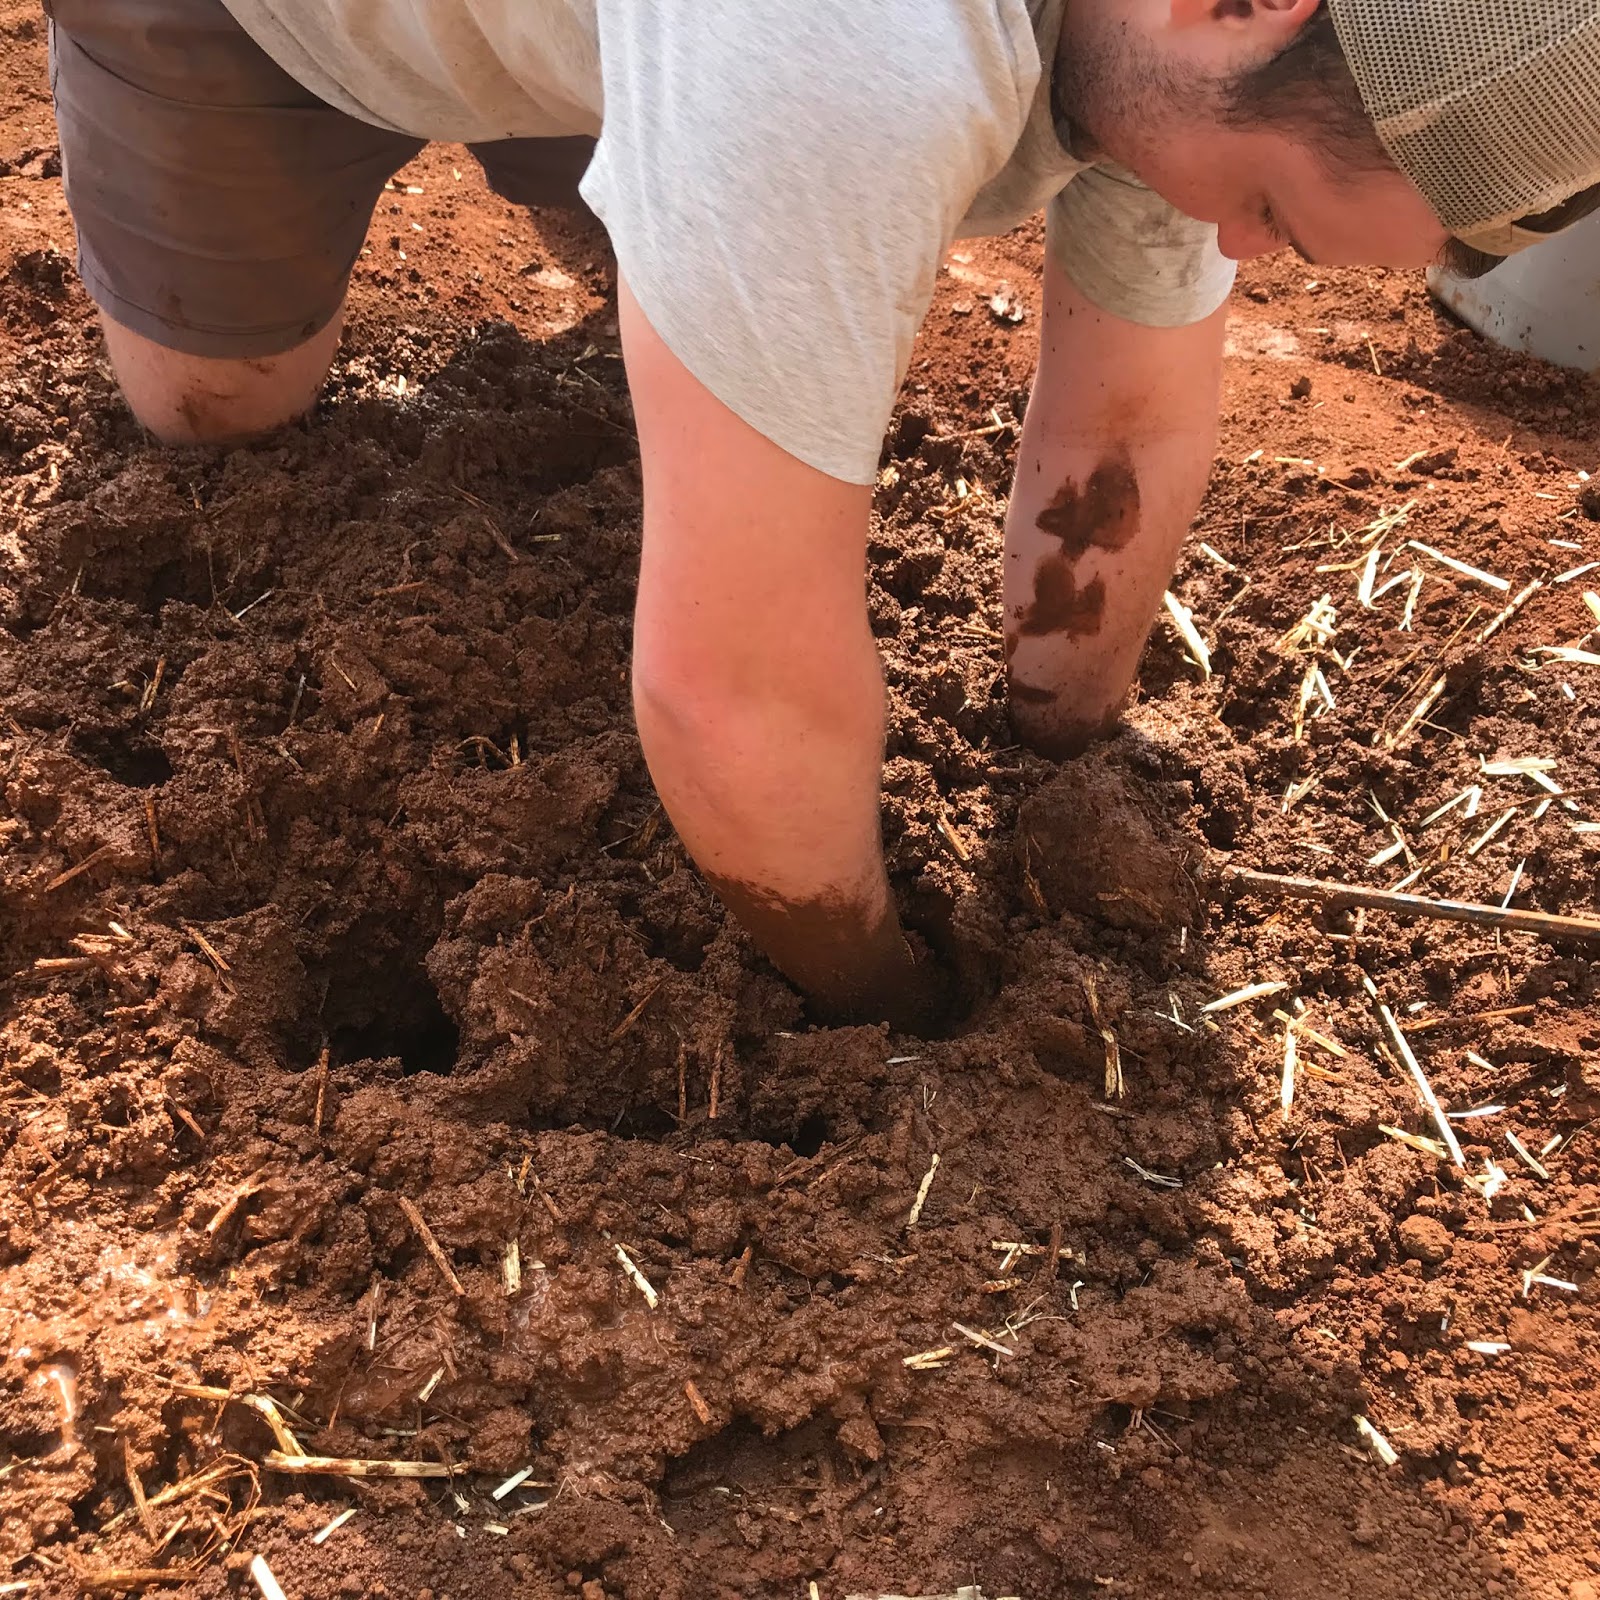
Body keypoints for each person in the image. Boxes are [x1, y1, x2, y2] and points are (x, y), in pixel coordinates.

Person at [42, 0, 1600, 1024]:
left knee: (734, 201)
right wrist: (893, 1007)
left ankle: (629, 136)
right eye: (1266, 209)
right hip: (277, 25)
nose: (1241, 256)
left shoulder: (1184, 55)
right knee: (218, 413)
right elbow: (727, 701)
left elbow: (1126, 420)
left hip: (670, 43)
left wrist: (1057, 744)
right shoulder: (856, 49)